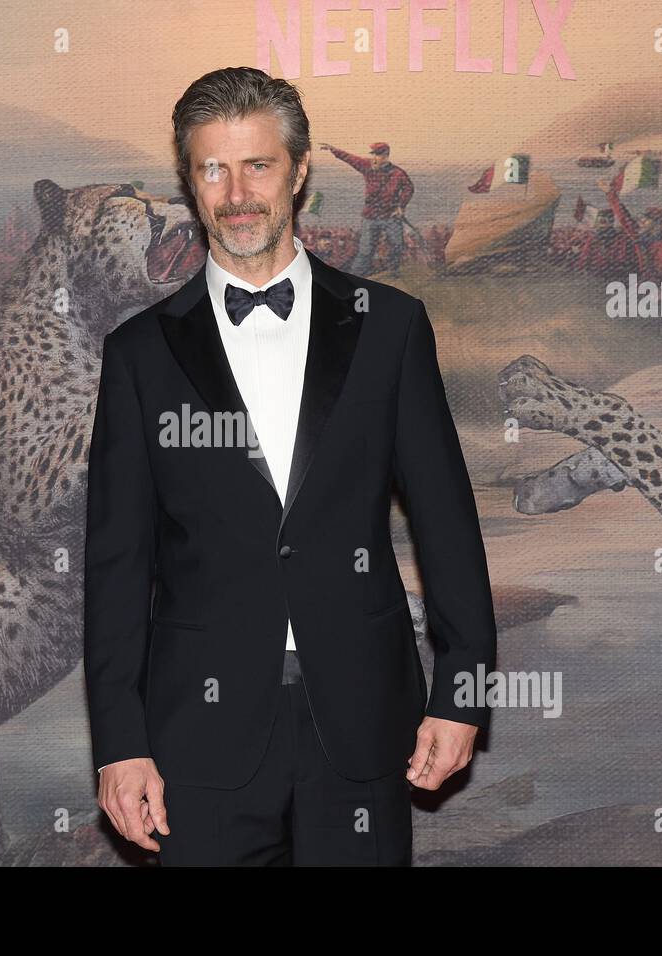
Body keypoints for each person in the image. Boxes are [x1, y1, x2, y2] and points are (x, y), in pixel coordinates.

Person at [84, 66, 496, 866]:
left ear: (300, 170)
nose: (237, 193)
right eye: (213, 168)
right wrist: (118, 744)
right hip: (195, 740)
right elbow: (116, 565)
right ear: (190, 179)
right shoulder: (138, 354)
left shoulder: (391, 329)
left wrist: (464, 691)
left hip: (365, 721)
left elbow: (448, 525)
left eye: (258, 164)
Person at [317, 141, 414, 277]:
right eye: (373, 154)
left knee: (397, 245)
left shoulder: (398, 173)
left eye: (377, 155)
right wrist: (334, 150)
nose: (374, 158)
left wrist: (401, 206)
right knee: (365, 250)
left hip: (390, 217)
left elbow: (409, 188)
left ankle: (393, 272)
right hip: (370, 217)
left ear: (386, 156)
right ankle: (355, 278)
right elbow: (350, 158)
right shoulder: (367, 166)